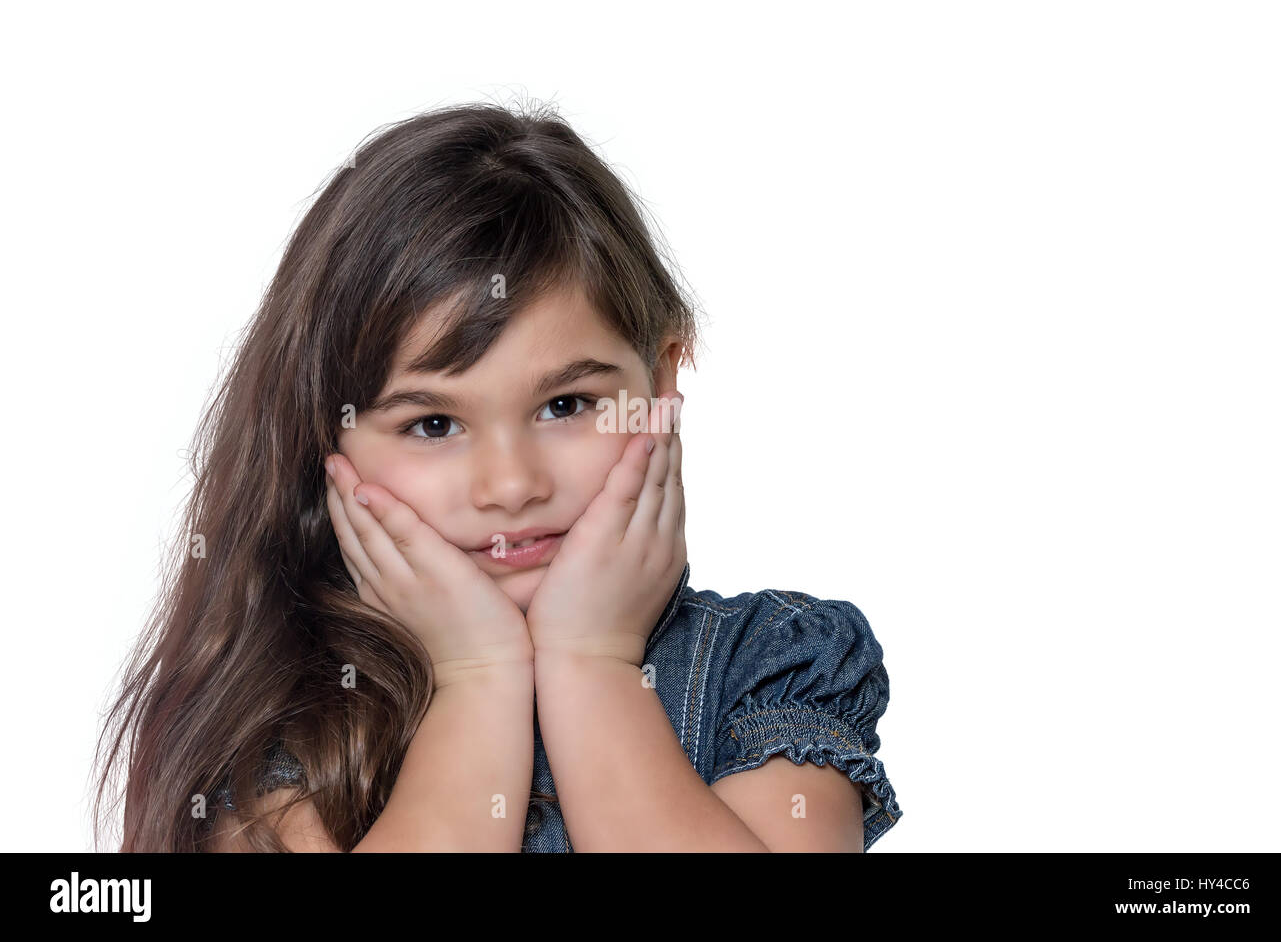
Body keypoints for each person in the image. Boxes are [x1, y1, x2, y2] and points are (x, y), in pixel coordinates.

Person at [92, 99, 902, 852]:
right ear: (322, 441)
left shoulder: (776, 666)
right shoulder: (281, 718)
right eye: (433, 425)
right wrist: (478, 685)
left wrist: (595, 662)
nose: (511, 486)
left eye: (565, 405)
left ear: (660, 386)